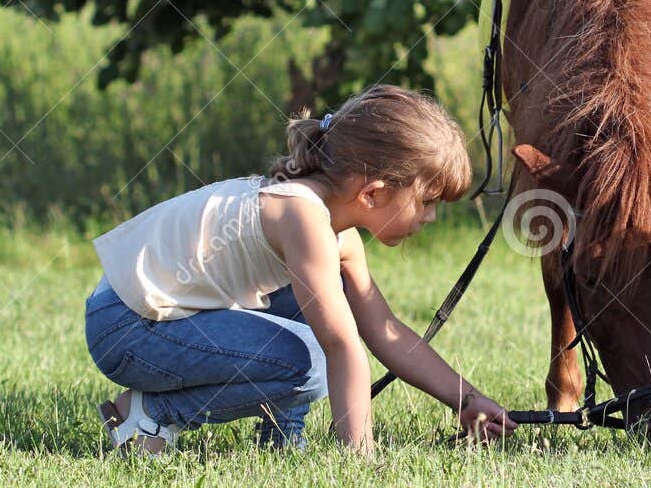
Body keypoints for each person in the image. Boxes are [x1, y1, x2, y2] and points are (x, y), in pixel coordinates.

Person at [84, 83, 515, 455]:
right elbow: (343, 348)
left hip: (145, 316)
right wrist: (359, 461)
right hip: (127, 328)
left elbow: (385, 330)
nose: (431, 218)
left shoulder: (331, 229)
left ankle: (283, 438)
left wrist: (466, 399)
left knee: (316, 307)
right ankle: (150, 415)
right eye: (427, 202)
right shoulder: (302, 219)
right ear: (373, 193)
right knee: (310, 361)